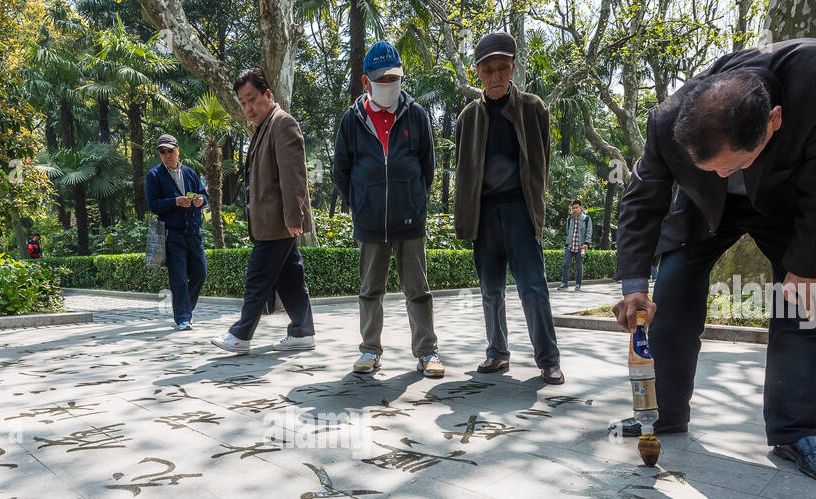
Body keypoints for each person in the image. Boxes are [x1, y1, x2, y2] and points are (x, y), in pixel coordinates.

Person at [611, 38, 816, 487]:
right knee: (670, 291)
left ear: (774, 122)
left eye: (733, 165)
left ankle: (798, 433)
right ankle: (663, 412)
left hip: (793, 204)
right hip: (703, 211)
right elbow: (642, 202)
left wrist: (808, 265)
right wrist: (633, 283)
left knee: (805, 301)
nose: (725, 175)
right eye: (710, 167)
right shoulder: (666, 121)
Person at [454, 31, 563, 384]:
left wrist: (536, 212)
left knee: (533, 286)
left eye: (503, 68)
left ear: (513, 67)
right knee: (491, 289)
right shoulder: (468, 117)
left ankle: (548, 359)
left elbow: (541, 163)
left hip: (519, 210)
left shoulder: (533, 108)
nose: (496, 76)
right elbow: (463, 170)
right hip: (485, 214)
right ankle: (497, 353)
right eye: (488, 70)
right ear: (478, 73)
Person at [333, 40, 443, 378]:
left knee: (419, 291)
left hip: (410, 221)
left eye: (394, 78)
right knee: (370, 290)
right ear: (366, 82)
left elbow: (428, 168)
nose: (389, 85)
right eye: (381, 80)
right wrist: (361, 206)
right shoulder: (352, 121)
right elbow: (341, 171)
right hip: (369, 224)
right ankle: (369, 351)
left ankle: (427, 352)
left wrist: (413, 201)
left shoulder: (417, 115)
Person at [212, 68, 316, 354]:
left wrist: (294, 217)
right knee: (290, 277)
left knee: (257, 277)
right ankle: (303, 332)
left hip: (278, 222)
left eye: (252, 99)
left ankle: (241, 334)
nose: (248, 108)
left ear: (268, 95)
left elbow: (293, 176)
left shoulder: (283, 123)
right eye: (243, 103)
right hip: (270, 222)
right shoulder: (265, 126)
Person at [145, 133, 208, 332]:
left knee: (200, 274)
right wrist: (174, 202)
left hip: (194, 232)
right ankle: (183, 318)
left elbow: (204, 194)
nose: (166, 155)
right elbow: (153, 205)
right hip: (172, 234)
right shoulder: (154, 175)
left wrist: (200, 201)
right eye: (162, 152)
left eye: (170, 151)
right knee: (179, 278)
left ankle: (185, 310)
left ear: (177, 150)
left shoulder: (190, 172)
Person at [558, 200, 592, 291]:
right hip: (569, 246)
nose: (575, 209)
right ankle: (564, 283)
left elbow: (589, 232)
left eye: (577, 207)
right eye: (573, 208)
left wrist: (586, 243)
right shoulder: (569, 219)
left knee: (579, 267)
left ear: (581, 208)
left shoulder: (586, 218)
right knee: (565, 264)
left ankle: (578, 284)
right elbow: (567, 231)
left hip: (580, 247)